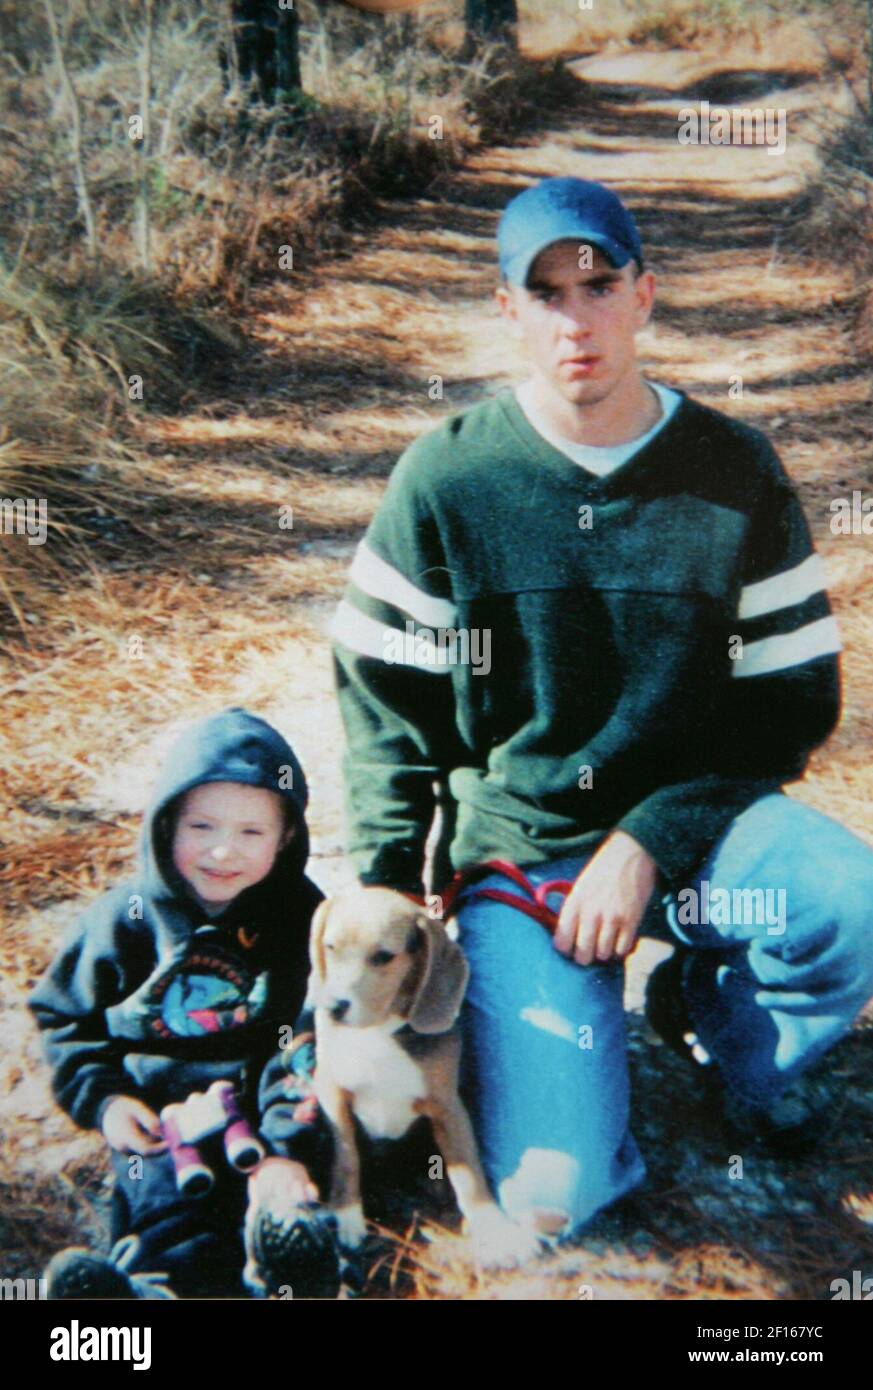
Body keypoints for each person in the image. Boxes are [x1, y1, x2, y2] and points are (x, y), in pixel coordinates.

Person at [327, 176, 873, 1239]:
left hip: (696, 845)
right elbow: (382, 702)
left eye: (599, 284)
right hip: (527, 857)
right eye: (547, 293)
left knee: (845, 897)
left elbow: (792, 701)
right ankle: (564, 1055)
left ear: (644, 294)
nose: (576, 321)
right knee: (554, 1194)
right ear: (508, 311)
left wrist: (649, 838)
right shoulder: (449, 480)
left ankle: (731, 1040)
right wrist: (396, 886)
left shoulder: (734, 470)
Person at [30, 706, 338, 1298]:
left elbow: (303, 1036)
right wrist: (107, 1100)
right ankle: (140, 1297)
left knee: (279, 1193)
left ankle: (287, 1273)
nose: (224, 852)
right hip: (160, 1117)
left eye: (251, 833)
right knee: (165, 1201)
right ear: (166, 824)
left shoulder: (297, 916)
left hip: (261, 1102)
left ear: (288, 836)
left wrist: (285, 1148)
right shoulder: (127, 919)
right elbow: (66, 1017)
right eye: (202, 828)